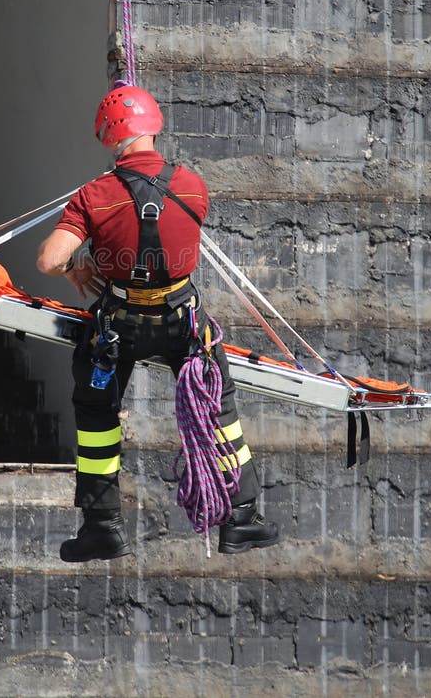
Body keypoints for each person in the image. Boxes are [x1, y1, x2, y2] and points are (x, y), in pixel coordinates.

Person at [37, 82, 278, 562]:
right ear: (154, 125)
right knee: (218, 412)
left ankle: (102, 526)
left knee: (97, 414)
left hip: (118, 324)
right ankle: (241, 517)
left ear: (109, 134)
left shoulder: (95, 195)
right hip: (182, 321)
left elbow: (48, 260)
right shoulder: (193, 185)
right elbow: (174, 242)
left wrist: (76, 268)